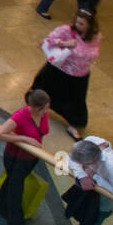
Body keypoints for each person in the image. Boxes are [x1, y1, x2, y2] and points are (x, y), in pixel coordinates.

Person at [32, 10, 100, 139]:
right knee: (46, 90)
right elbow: (47, 40)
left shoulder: (95, 36)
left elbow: (94, 50)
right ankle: (37, 107)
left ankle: (74, 124)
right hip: (60, 70)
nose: (78, 25)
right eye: (77, 22)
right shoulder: (66, 30)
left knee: (77, 100)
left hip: (80, 74)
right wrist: (64, 43)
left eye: (82, 23)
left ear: (90, 25)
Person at [0, 88, 51, 225]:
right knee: (16, 190)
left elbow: (42, 131)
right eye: (45, 108)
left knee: (12, 182)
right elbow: (0, 134)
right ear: (38, 107)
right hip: (15, 157)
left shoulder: (43, 115)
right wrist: (24, 139)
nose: (47, 111)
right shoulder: (21, 115)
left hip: (30, 158)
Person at [67, 136, 113, 225]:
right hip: (90, 198)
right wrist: (82, 175)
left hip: (104, 203)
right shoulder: (90, 141)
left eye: (83, 164)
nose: (80, 165)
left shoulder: (110, 167)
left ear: (93, 161)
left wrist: (94, 177)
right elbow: (70, 159)